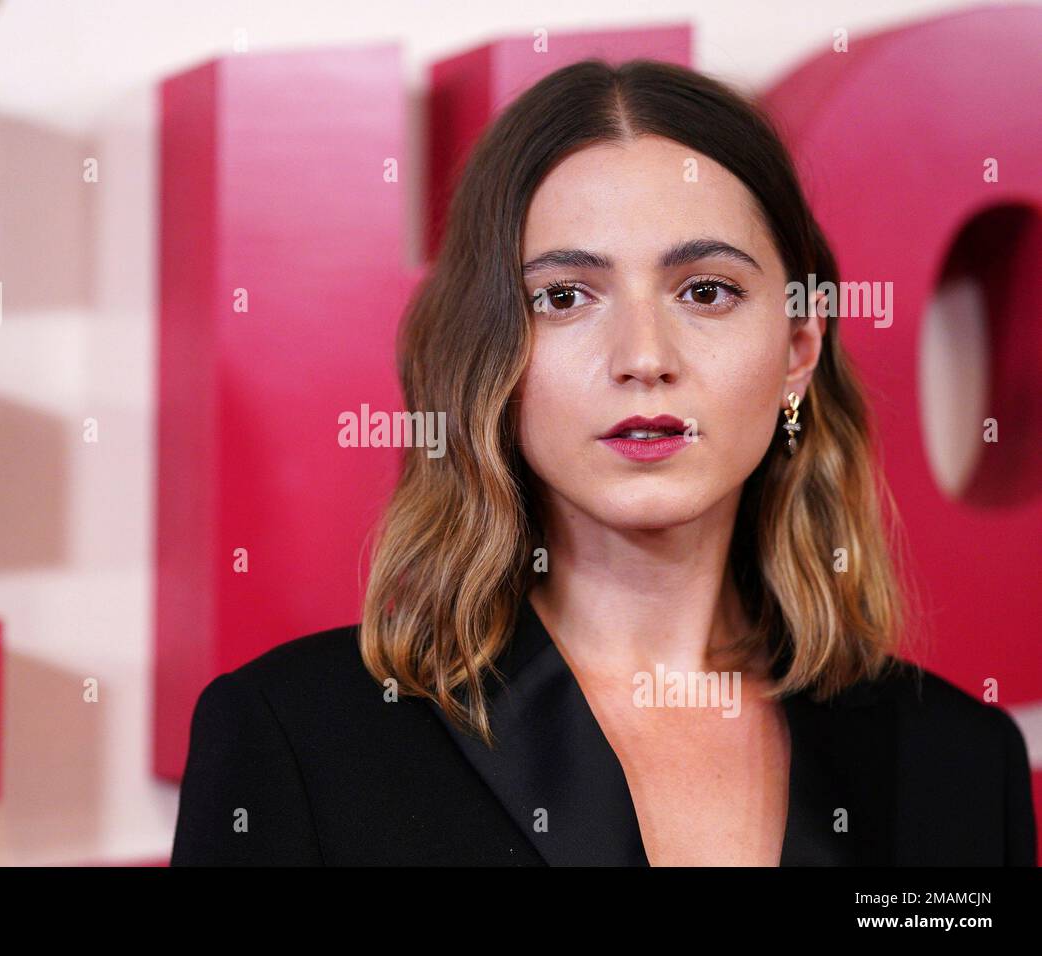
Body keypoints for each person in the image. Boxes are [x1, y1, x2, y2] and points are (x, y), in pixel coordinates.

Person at [170, 58, 1037, 866]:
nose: (643, 357)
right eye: (564, 297)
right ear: (487, 355)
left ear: (798, 349)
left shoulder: (959, 764)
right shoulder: (298, 740)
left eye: (706, 290)